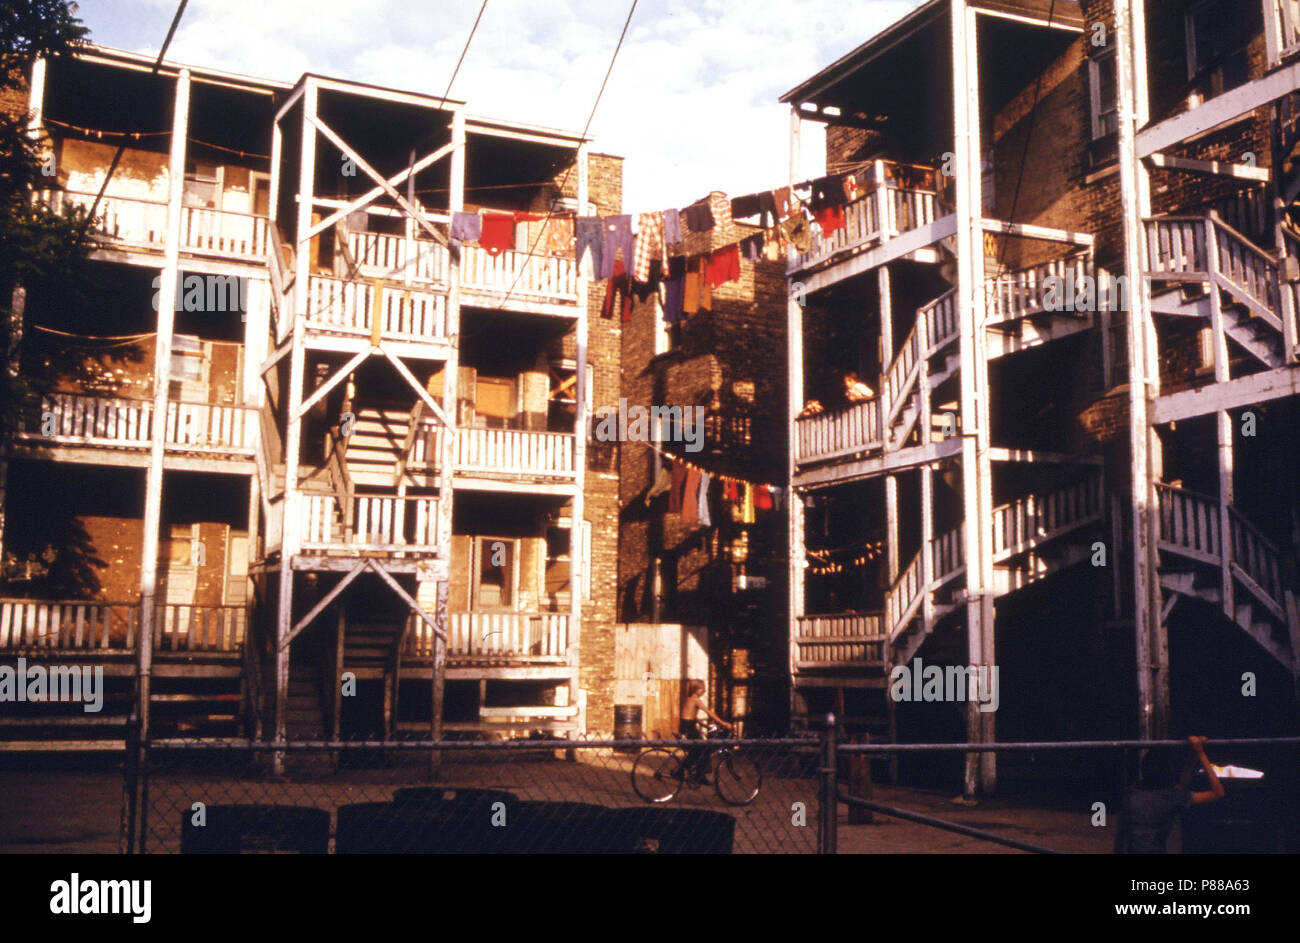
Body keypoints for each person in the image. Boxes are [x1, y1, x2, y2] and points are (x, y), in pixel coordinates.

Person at [1116, 735, 1225, 854]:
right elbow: (1218, 792)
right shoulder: (1170, 797)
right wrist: (1200, 752)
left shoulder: (1132, 793)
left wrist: (1195, 753)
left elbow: (1183, 783)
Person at [679, 679, 732, 784]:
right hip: (689, 727)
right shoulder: (695, 699)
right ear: (697, 690)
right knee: (704, 748)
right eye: (703, 689)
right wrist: (723, 723)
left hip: (687, 726)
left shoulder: (689, 699)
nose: (705, 691)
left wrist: (705, 726)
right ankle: (698, 775)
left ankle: (687, 771)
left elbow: (691, 716)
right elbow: (709, 712)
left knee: (697, 749)